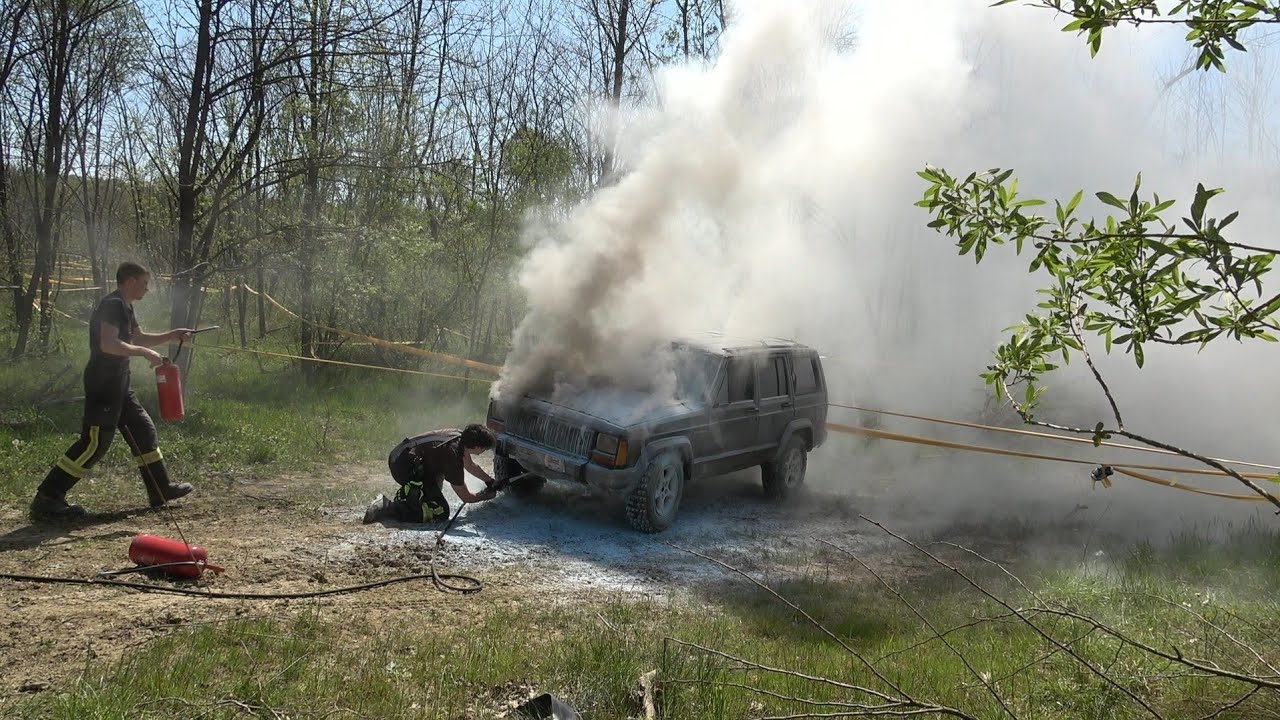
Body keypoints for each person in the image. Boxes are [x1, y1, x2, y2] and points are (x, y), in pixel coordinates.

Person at [30, 261, 197, 520]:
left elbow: (136, 338)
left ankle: (160, 489)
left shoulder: (125, 306)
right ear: (129, 281)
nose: (147, 289)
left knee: (142, 430)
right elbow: (108, 344)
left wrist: (172, 335)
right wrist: (144, 353)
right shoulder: (113, 304)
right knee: (94, 443)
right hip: (104, 384)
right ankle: (48, 497)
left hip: (120, 383)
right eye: (144, 283)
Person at [363, 424, 500, 524]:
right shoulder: (452, 457)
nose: (484, 451)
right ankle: (388, 506)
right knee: (440, 512)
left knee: (435, 485)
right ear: (476, 447)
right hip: (403, 467)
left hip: (400, 454)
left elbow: (469, 465)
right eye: (484, 448)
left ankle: (417, 496)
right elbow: (466, 497)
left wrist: (489, 481)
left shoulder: (459, 437)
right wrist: (485, 496)